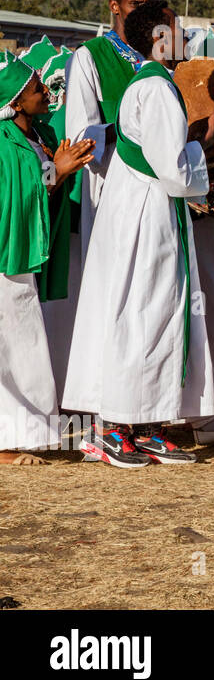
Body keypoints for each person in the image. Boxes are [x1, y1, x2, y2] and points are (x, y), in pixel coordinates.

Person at [65, 0, 214, 467]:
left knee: (153, 313)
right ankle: (115, 427)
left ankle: (148, 424)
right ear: (158, 39)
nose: (184, 38)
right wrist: (206, 141)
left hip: (140, 209)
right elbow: (174, 171)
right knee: (140, 313)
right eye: (176, 30)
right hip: (145, 214)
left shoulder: (152, 83)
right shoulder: (157, 88)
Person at [0, 55, 94, 465]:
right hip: (8, 256)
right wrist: (56, 171)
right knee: (10, 348)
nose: (45, 91)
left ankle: (31, 429)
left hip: (27, 254)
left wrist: (62, 170)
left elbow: (42, 190)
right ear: (17, 101)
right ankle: (6, 443)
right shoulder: (4, 143)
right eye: (37, 87)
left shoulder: (40, 133)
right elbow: (14, 199)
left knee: (26, 345)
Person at [64, 0, 152, 260]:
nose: (144, 12)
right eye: (135, 5)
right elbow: (81, 137)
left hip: (157, 184)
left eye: (149, 5)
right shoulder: (89, 57)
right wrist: (132, 125)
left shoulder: (161, 55)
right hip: (111, 186)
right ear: (115, 6)